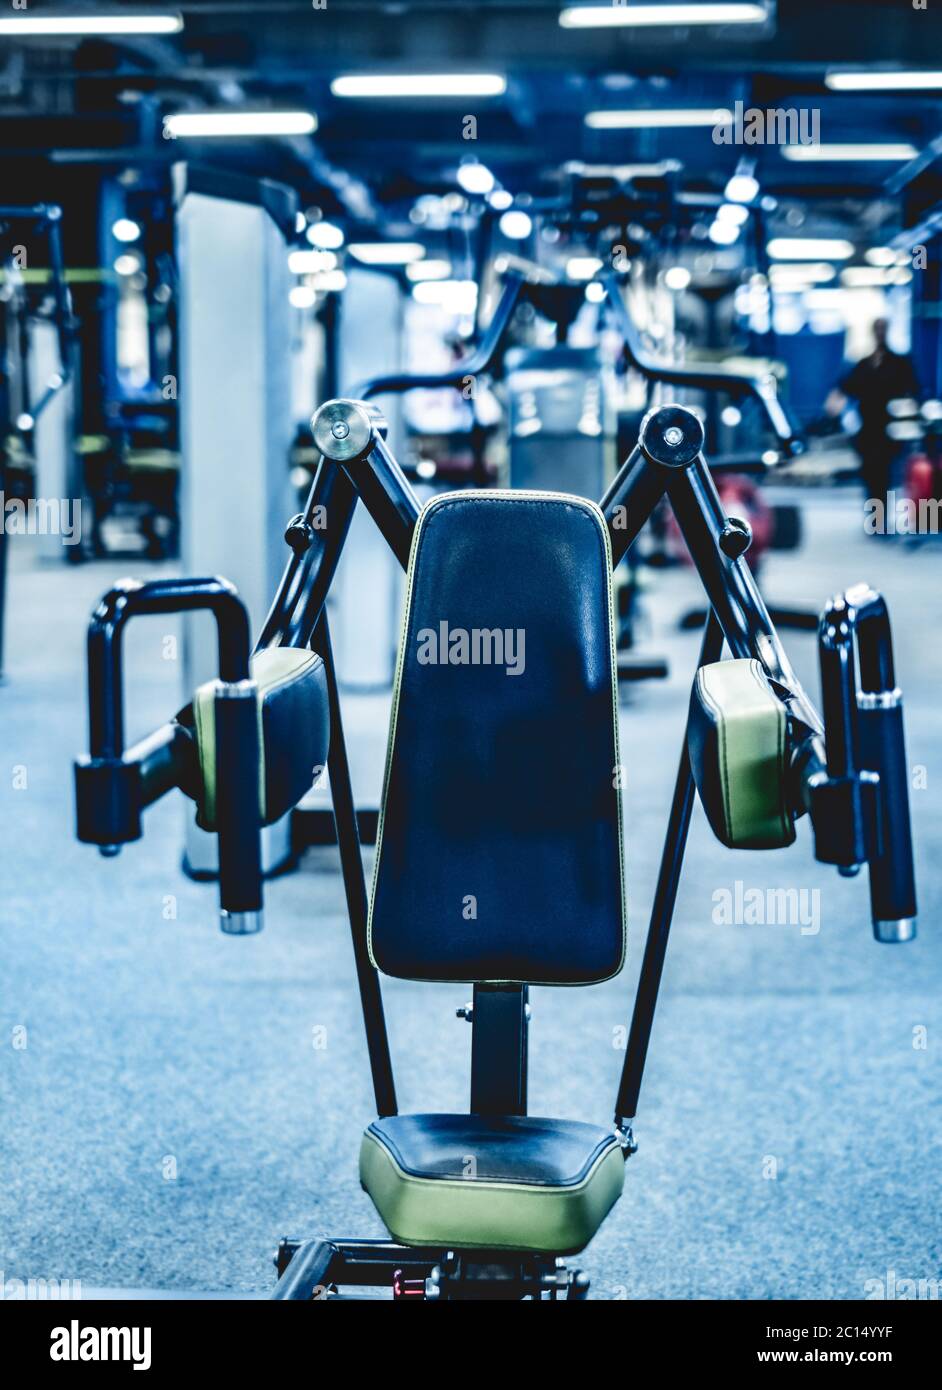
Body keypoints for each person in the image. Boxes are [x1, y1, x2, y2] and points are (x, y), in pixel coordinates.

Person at [827, 318, 919, 518]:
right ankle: (874, 517)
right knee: (870, 474)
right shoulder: (864, 364)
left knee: (884, 475)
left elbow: (912, 391)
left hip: (890, 430)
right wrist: (835, 403)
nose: (880, 333)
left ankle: (881, 517)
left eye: (883, 329)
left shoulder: (899, 363)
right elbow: (846, 388)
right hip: (867, 429)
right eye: (877, 329)